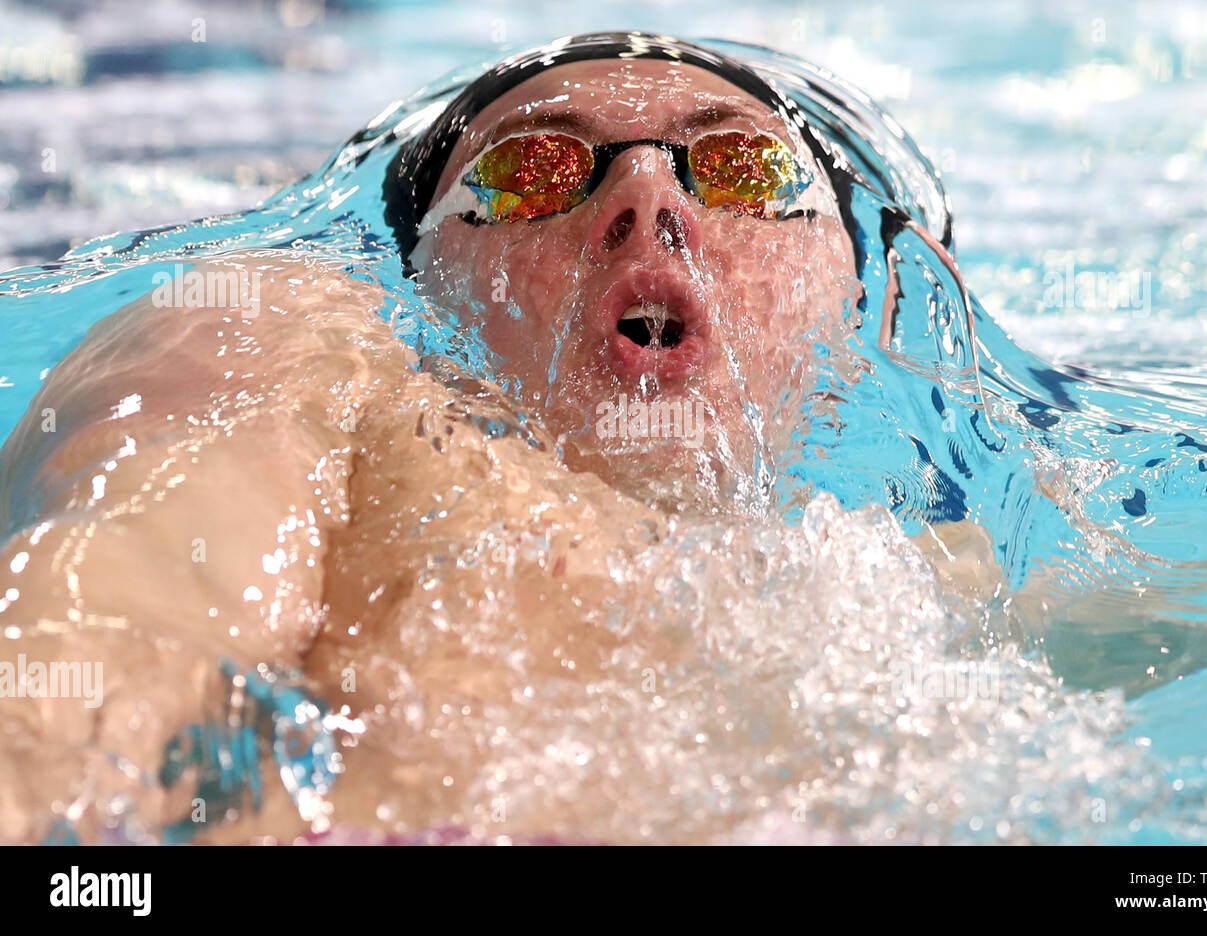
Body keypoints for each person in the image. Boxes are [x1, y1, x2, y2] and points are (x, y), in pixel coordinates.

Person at [0, 34, 1001, 844]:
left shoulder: (941, 585)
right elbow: (113, 624)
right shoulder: (285, 340)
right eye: (530, 171)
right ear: (423, 282)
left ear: (859, 292)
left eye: (743, 169)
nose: (648, 203)